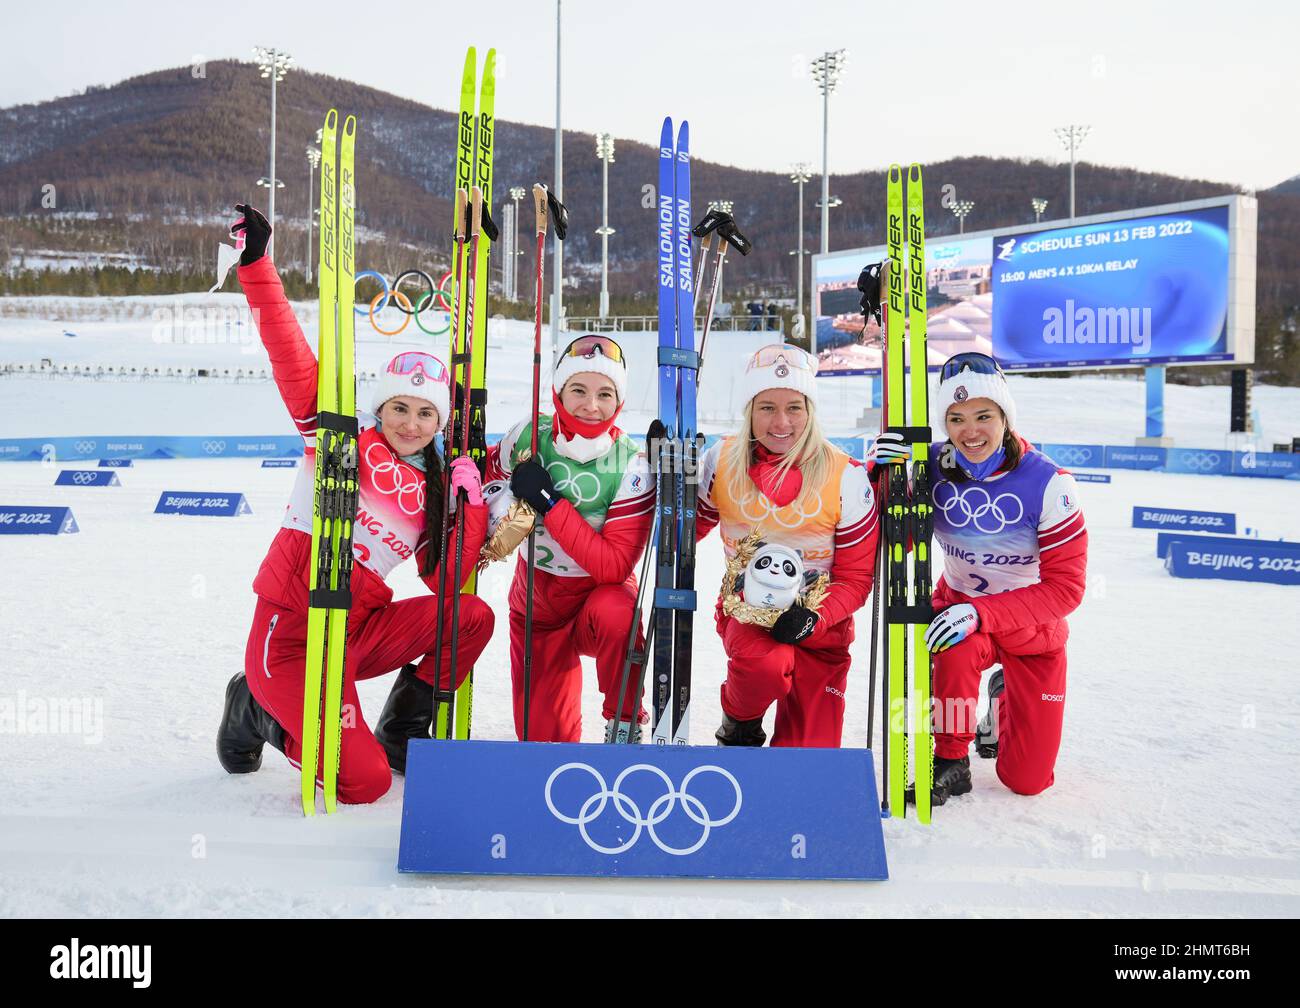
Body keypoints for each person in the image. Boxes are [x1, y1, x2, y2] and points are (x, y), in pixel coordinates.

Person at [215, 204, 493, 802]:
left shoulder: (439, 484)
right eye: (400, 408)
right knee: (362, 784)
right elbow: (289, 353)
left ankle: (400, 727)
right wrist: (258, 267)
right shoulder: (338, 436)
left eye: (426, 413)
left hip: (356, 630)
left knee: (471, 617)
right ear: (381, 408)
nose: (412, 424)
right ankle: (256, 708)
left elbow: (446, 580)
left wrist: (469, 510)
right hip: (293, 632)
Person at [876, 352, 1088, 805]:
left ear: (1005, 417)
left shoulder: (1050, 483)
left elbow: (1066, 589)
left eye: (983, 416)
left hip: (1031, 631)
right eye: (955, 418)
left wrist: (981, 612)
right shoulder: (930, 464)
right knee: (953, 644)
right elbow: (892, 533)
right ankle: (951, 761)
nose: (970, 431)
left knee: (1027, 781)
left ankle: (1000, 698)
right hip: (957, 613)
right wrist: (881, 476)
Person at [695, 344, 879, 747]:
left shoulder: (844, 476)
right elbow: (684, 533)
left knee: (807, 765)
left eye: (794, 407)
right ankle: (740, 717)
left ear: (810, 411)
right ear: (750, 411)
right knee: (766, 663)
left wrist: (816, 617)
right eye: (766, 407)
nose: (781, 422)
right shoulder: (721, 460)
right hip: (748, 616)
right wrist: (669, 474)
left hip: (821, 630)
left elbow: (856, 577)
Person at [486, 335, 654, 742]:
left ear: (620, 401)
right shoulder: (528, 435)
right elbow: (486, 481)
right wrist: (488, 508)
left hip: (597, 599)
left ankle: (625, 722)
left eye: (605, 394)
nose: (590, 405)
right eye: (578, 390)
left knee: (619, 610)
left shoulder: (632, 463)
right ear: (558, 391)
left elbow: (613, 566)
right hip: (537, 605)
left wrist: (548, 501)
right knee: (545, 747)